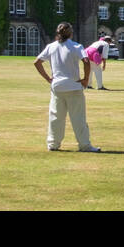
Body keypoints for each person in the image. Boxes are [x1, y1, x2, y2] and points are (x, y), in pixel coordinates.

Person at [33, 22, 99, 152]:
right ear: (70, 33)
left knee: (56, 117)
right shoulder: (76, 46)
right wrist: (86, 79)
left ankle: (53, 144)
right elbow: (86, 61)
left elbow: (37, 62)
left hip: (57, 87)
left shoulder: (51, 47)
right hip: (73, 86)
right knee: (78, 118)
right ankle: (84, 145)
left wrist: (48, 78)